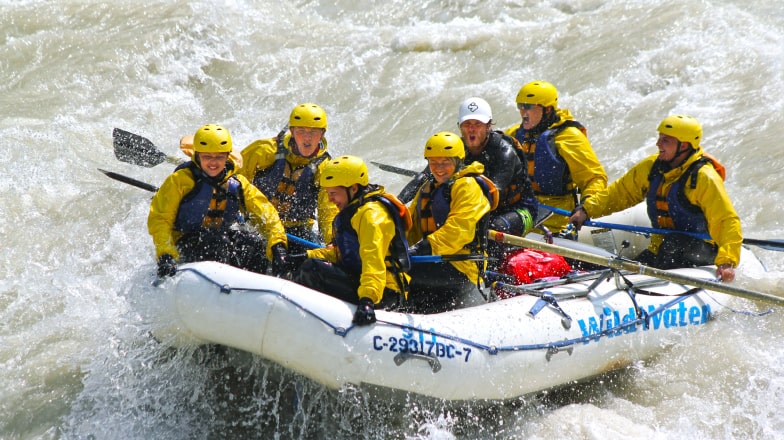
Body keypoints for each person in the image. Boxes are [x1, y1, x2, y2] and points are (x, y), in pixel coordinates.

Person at [569, 115, 741, 282]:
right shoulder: (652, 167)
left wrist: (727, 262)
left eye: (666, 140)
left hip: (701, 250)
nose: (658, 143)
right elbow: (619, 193)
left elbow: (725, 220)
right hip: (661, 249)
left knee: (673, 243)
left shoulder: (704, 178)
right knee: (626, 266)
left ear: (683, 145)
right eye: (659, 138)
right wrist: (586, 210)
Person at [148, 124, 289, 278]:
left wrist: (278, 244)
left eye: (219, 157)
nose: (213, 163)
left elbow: (267, 213)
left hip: (220, 240)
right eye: (207, 157)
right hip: (185, 243)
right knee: (216, 242)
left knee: (253, 243)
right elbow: (160, 220)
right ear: (197, 156)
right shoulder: (179, 181)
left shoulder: (238, 183)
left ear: (227, 156)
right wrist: (166, 254)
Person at [291, 155, 412, 326]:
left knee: (313, 269)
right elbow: (344, 253)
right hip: (362, 281)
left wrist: (367, 300)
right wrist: (305, 255)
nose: (330, 199)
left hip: (384, 292)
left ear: (353, 188)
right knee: (306, 263)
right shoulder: (355, 210)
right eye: (328, 193)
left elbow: (373, 262)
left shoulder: (371, 216)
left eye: (333, 193)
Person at [405, 132, 497, 313]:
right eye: (433, 162)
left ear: (458, 161)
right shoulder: (427, 188)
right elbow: (409, 226)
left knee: (399, 273)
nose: (439, 168)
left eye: (445, 162)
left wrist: (424, 247)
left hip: (462, 266)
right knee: (389, 267)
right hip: (433, 260)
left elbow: (459, 230)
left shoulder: (467, 186)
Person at [505, 80, 607, 236]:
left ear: (547, 109)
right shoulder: (514, 134)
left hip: (557, 222)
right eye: (520, 106)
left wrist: (586, 208)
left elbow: (594, 178)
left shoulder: (569, 137)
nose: (523, 111)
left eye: (529, 106)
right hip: (522, 215)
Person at [238, 103, 339, 252]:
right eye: (301, 131)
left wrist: (332, 241)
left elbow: (328, 211)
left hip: (297, 231)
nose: (307, 138)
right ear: (292, 131)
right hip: (258, 224)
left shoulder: (325, 168)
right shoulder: (265, 150)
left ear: (322, 134)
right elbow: (235, 180)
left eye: (313, 132)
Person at [456, 97, 539, 266]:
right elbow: (424, 178)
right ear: (460, 127)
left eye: (477, 124)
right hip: (480, 209)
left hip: (520, 209)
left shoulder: (504, 151)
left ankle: (491, 273)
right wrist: (400, 203)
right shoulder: (455, 149)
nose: (471, 129)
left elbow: (494, 191)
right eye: (467, 124)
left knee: (493, 227)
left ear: (488, 126)